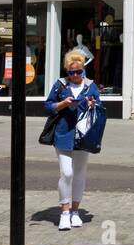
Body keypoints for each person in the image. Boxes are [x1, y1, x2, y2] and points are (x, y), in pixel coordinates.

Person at [44, 50, 104, 231]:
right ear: (67, 72)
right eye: (72, 72)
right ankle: (64, 213)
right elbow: (48, 105)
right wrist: (62, 104)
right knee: (67, 173)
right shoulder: (60, 85)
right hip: (63, 134)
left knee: (79, 174)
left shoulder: (91, 86)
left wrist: (93, 105)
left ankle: (75, 212)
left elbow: (100, 107)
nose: (76, 76)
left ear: (84, 70)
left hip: (83, 136)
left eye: (79, 72)